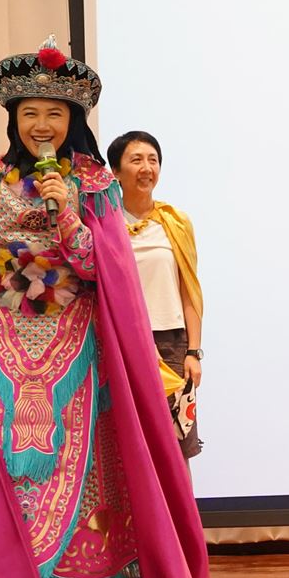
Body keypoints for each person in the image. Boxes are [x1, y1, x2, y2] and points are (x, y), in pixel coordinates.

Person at [0, 36, 209, 578]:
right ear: (13, 119)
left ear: (72, 120)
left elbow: (104, 269)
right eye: (30, 113)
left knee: (80, 456)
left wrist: (70, 216)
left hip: (75, 334)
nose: (42, 125)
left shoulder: (95, 183)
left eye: (54, 114)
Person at [108, 131, 203, 461]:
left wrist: (193, 352)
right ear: (116, 172)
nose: (146, 168)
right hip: (122, 346)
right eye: (136, 160)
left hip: (171, 345)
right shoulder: (105, 224)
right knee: (126, 448)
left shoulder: (175, 222)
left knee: (177, 448)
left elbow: (189, 291)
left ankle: (179, 501)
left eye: (153, 160)